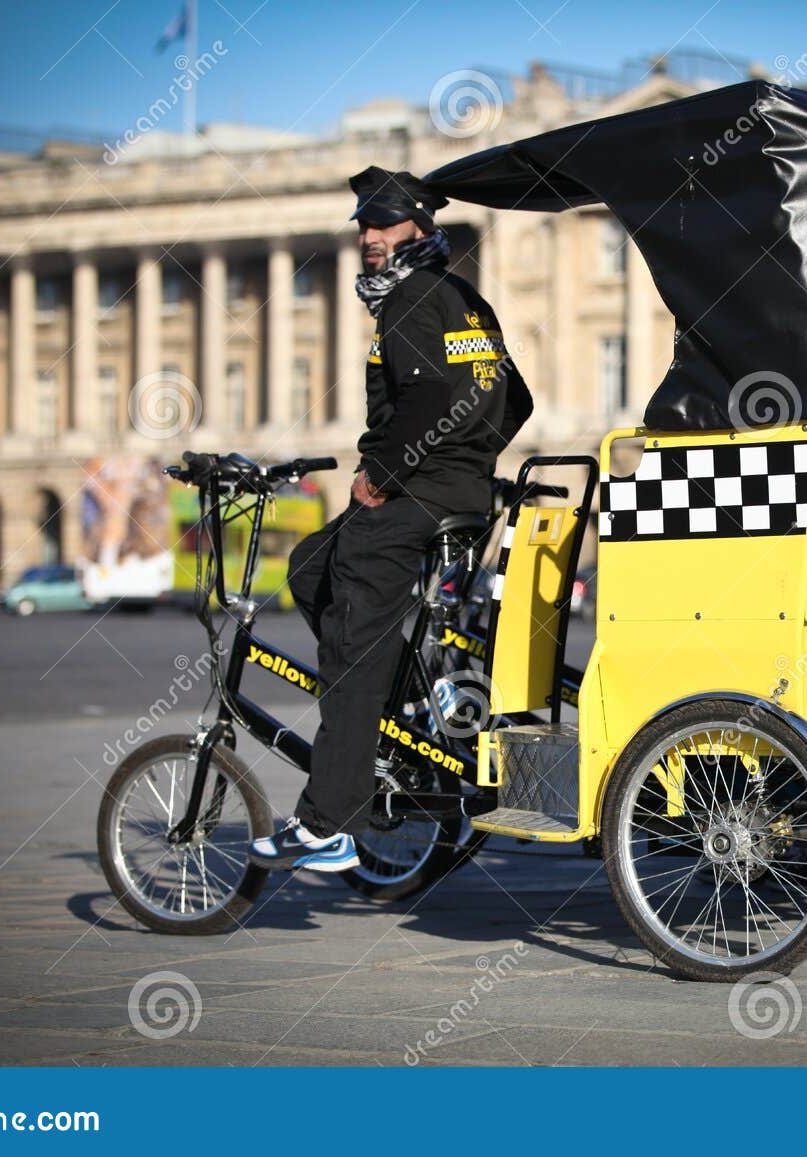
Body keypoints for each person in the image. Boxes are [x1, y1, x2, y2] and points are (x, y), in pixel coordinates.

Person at [250, 167, 533, 872]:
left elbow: (432, 398)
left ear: (418, 228)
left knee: (350, 647)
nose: (370, 238)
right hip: (457, 493)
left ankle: (329, 821)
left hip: (412, 497)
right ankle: (399, 707)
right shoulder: (464, 299)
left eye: (382, 225)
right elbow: (516, 399)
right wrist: (467, 464)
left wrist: (384, 473)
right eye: (365, 227)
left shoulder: (408, 297)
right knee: (310, 565)